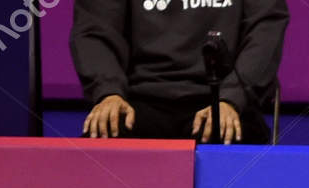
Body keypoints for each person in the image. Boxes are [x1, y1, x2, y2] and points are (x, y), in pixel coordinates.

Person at [72, 0, 289, 145]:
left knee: (226, 137)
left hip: (222, 100)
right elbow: (95, 31)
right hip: (138, 100)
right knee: (105, 135)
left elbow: (265, 33)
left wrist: (232, 98)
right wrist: (108, 92)